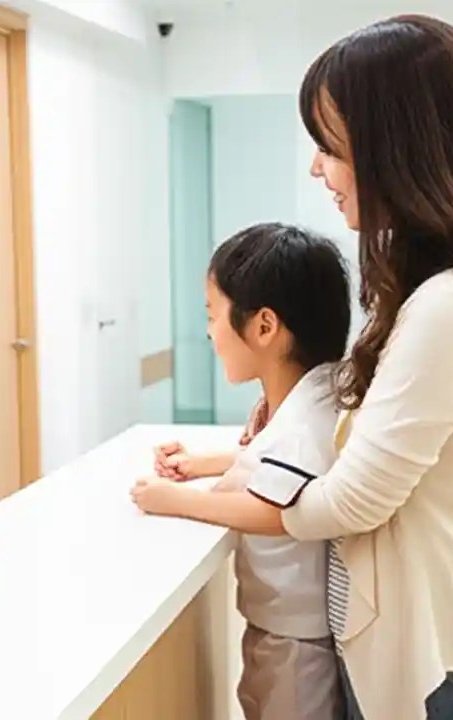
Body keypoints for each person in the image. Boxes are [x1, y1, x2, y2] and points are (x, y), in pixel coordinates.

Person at [143, 14, 453, 720]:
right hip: (412, 651)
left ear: (397, 150)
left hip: (436, 665)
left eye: (330, 147)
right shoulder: (444, 291)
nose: (317, 169)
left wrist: (192, 501)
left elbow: (348, 500)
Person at [131, 222, 352, 720]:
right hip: (283, 626)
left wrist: (175, 500)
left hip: (297, 639)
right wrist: (203, 465)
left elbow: (278, 507)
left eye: (213, 315)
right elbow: (277, 466)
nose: (209, 332)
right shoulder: (309, 397)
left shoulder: (305, 419)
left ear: (264, 326)